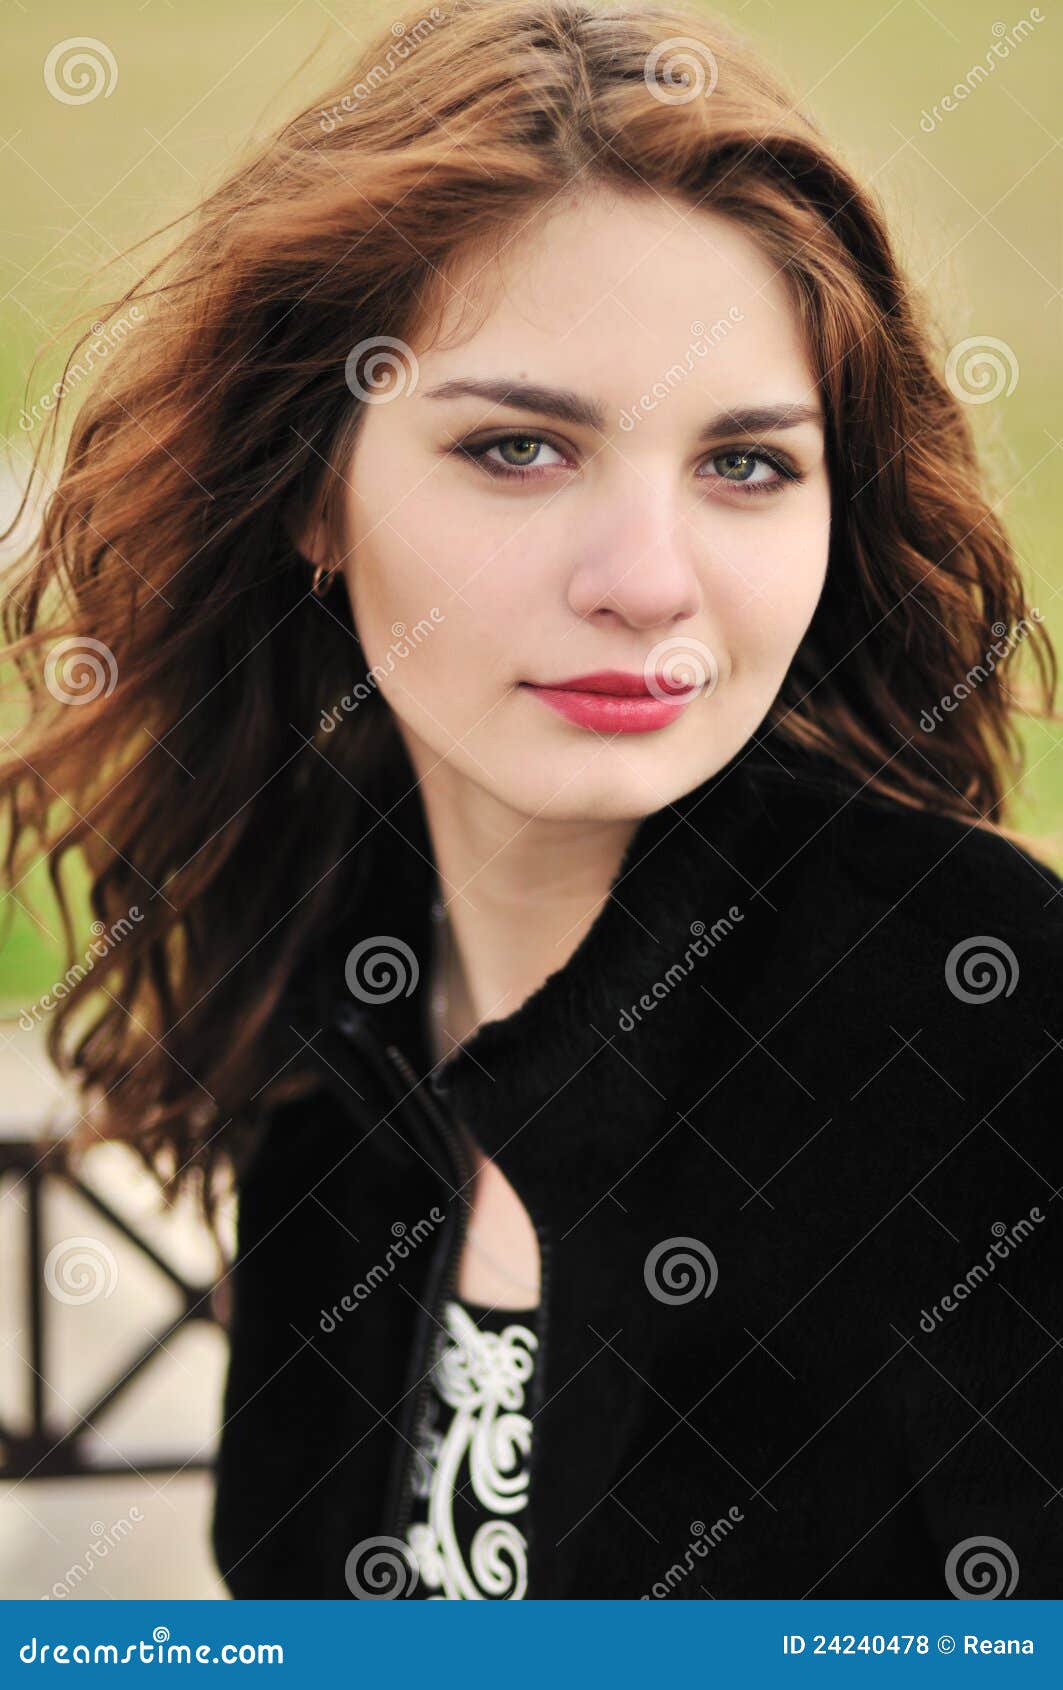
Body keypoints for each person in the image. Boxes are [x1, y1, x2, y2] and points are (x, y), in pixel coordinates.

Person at [3, 0, 1060, 1600]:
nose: (646, 584)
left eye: (748, 464)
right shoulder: (330, 979)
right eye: (517, 448)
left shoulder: (985, 1025)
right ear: (312, 488)